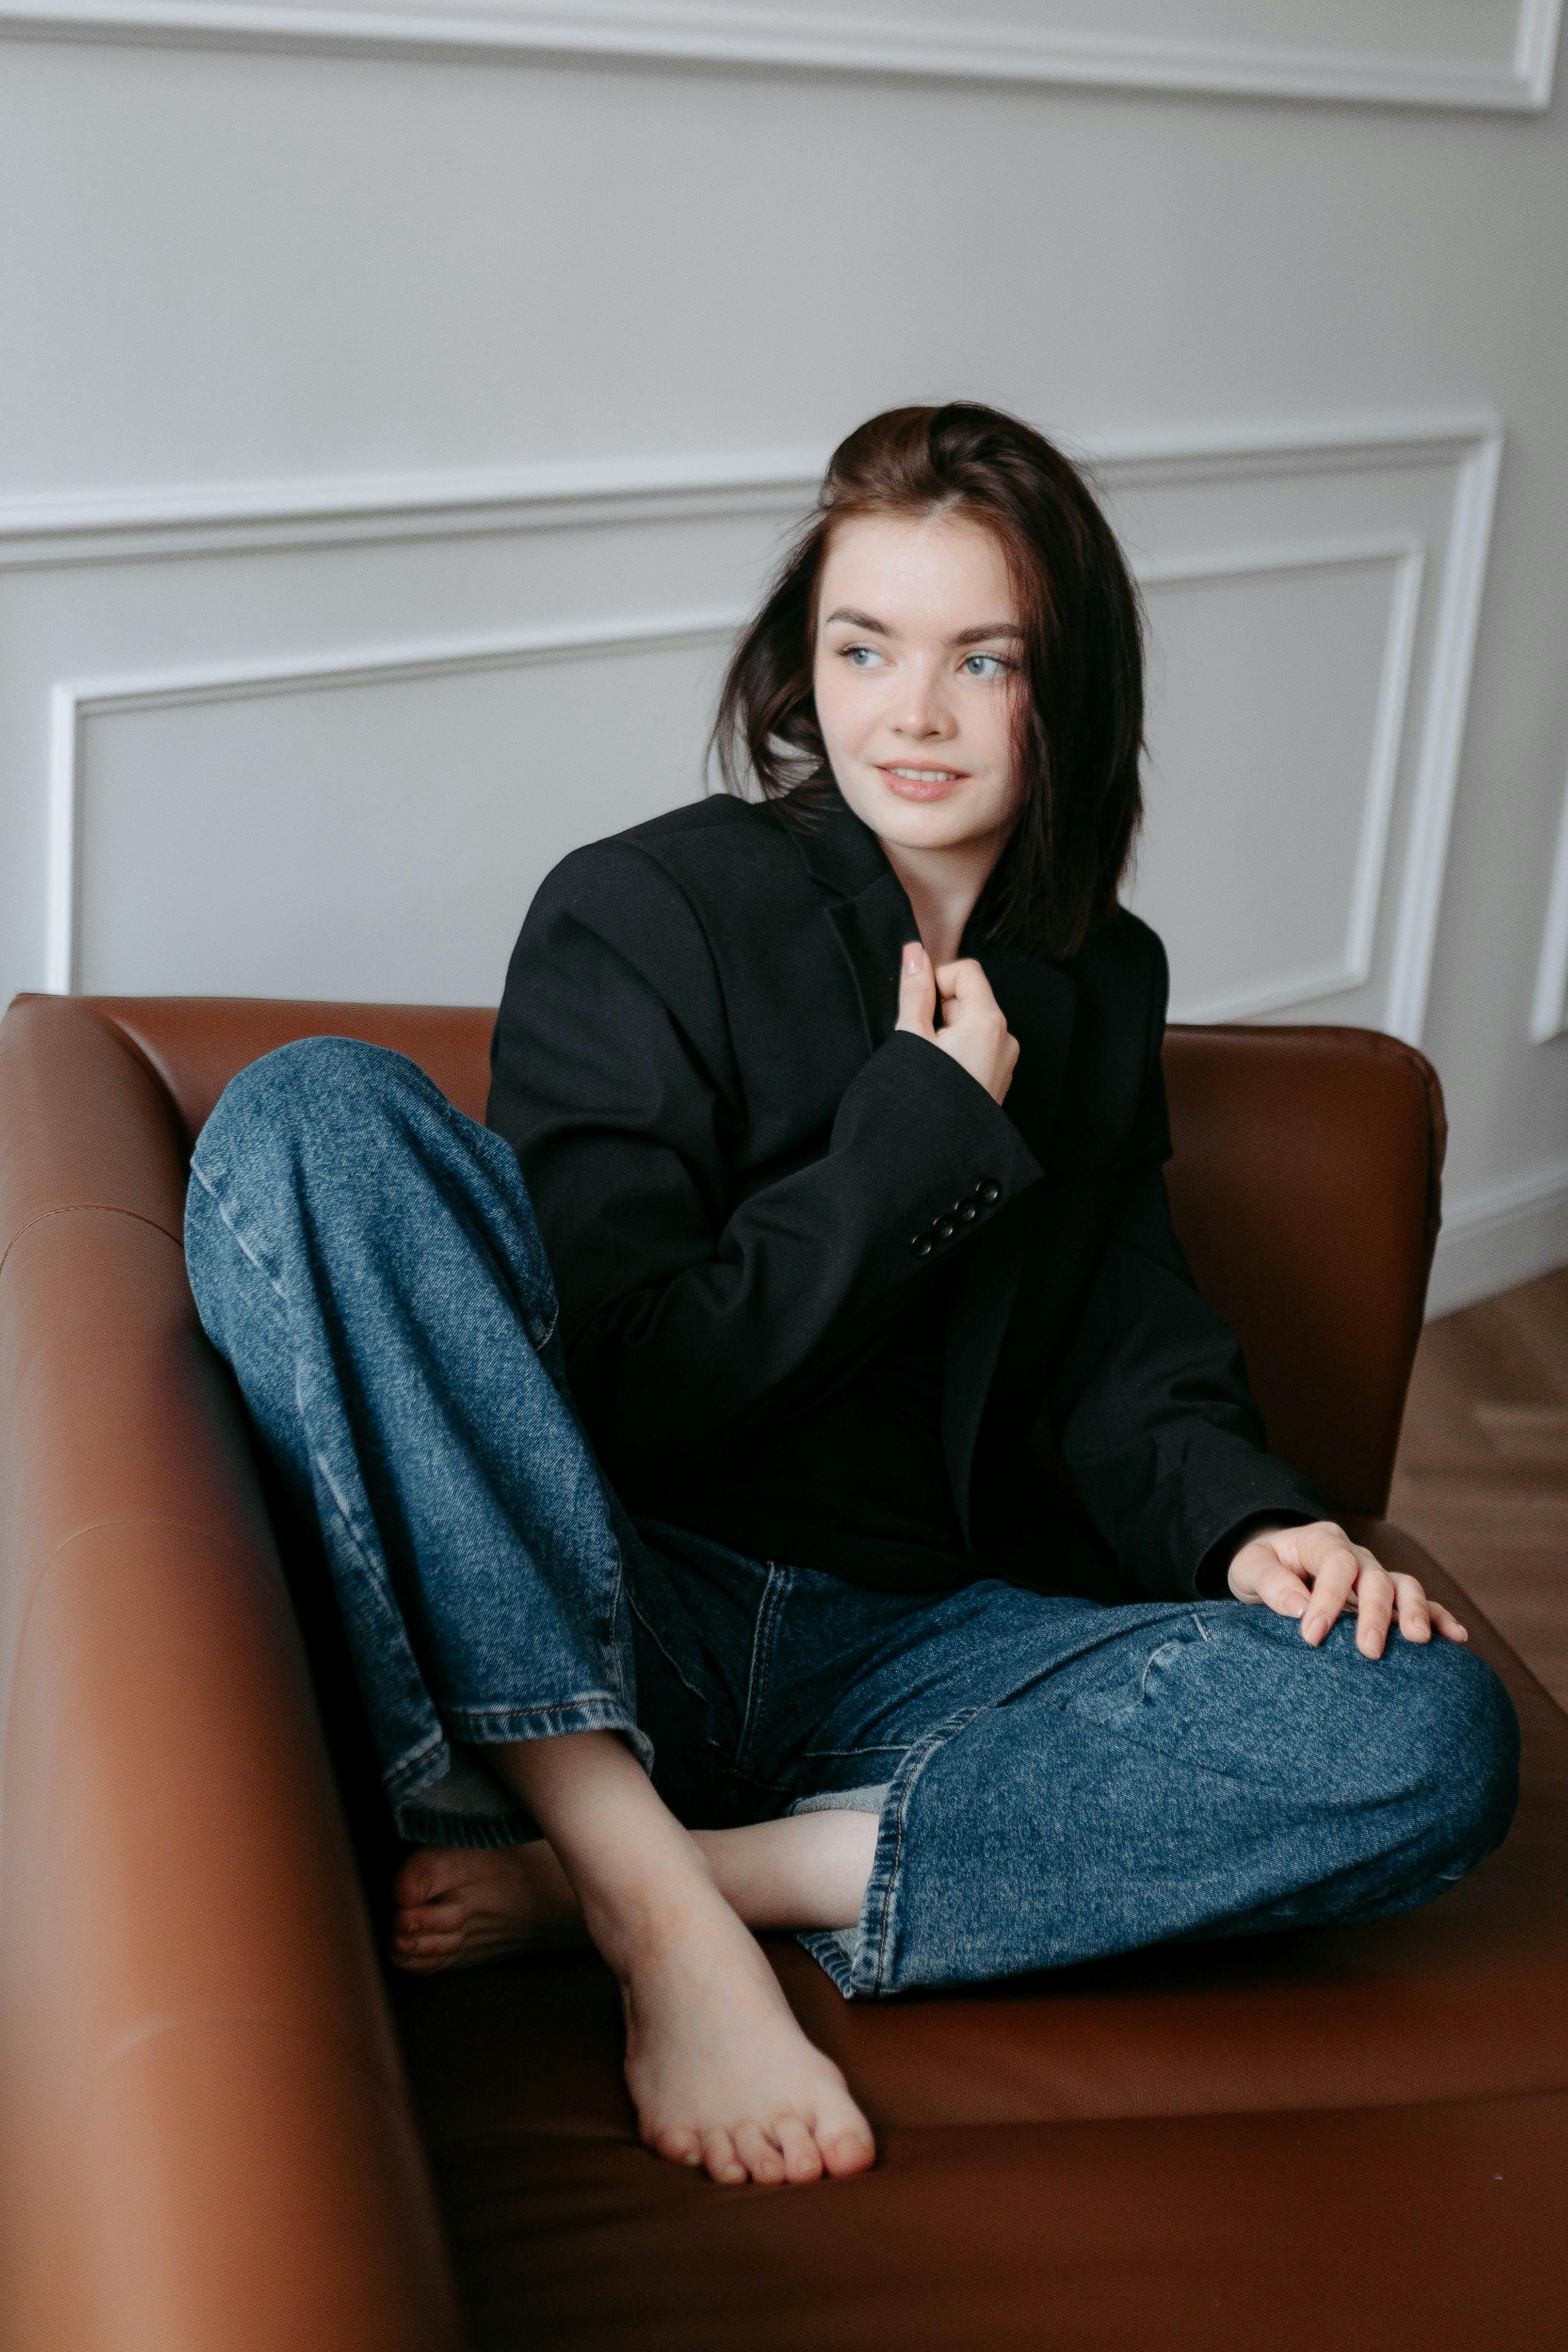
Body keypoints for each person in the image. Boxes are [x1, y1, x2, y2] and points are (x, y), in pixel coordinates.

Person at [184, 402, 1519, 2195]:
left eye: (984, 658)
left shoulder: (1095, 976)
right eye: (865, 648)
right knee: (310, 1109)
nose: (913, 713)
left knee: (1419, 1723)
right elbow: (623, 1383)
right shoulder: (649, 906)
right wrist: (920, 1133)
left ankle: (678, 1877)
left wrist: (1253, 1528)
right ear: (800, 671)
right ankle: (646, 1893)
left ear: (1068, 692)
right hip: (608, 1608)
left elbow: (1125, 1340)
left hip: (912, 1654)